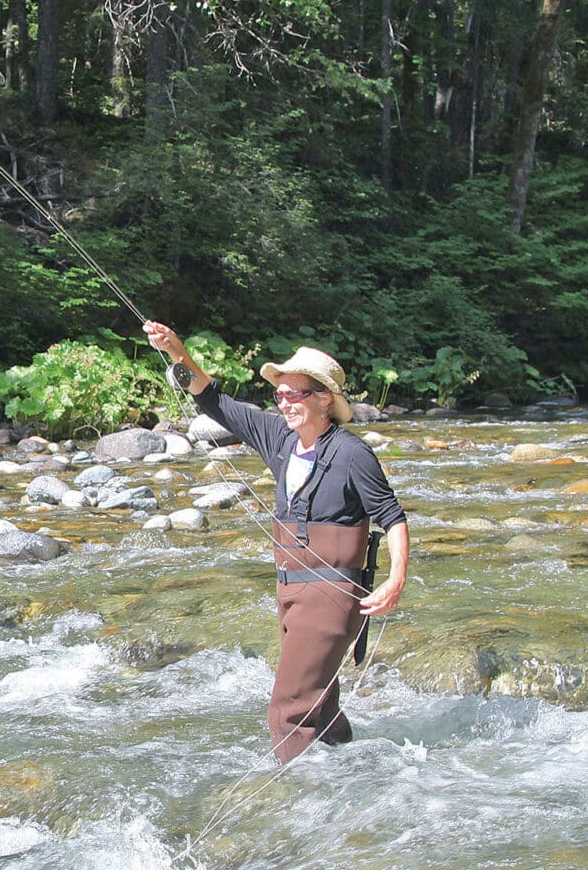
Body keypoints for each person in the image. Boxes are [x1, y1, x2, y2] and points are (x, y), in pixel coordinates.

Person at [143, 321, 410, 764]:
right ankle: (355, 776)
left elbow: (392, 516)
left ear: (325, 399)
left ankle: (294, 796)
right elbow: (214, 400)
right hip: (290, 592)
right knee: (319, 706)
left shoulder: (352, 454)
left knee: (288, 712)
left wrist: (395, 579)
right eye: (280, 395)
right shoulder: (280, 438)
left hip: (331, 596)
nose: (284, 403)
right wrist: (177, 352)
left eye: (295, 394)